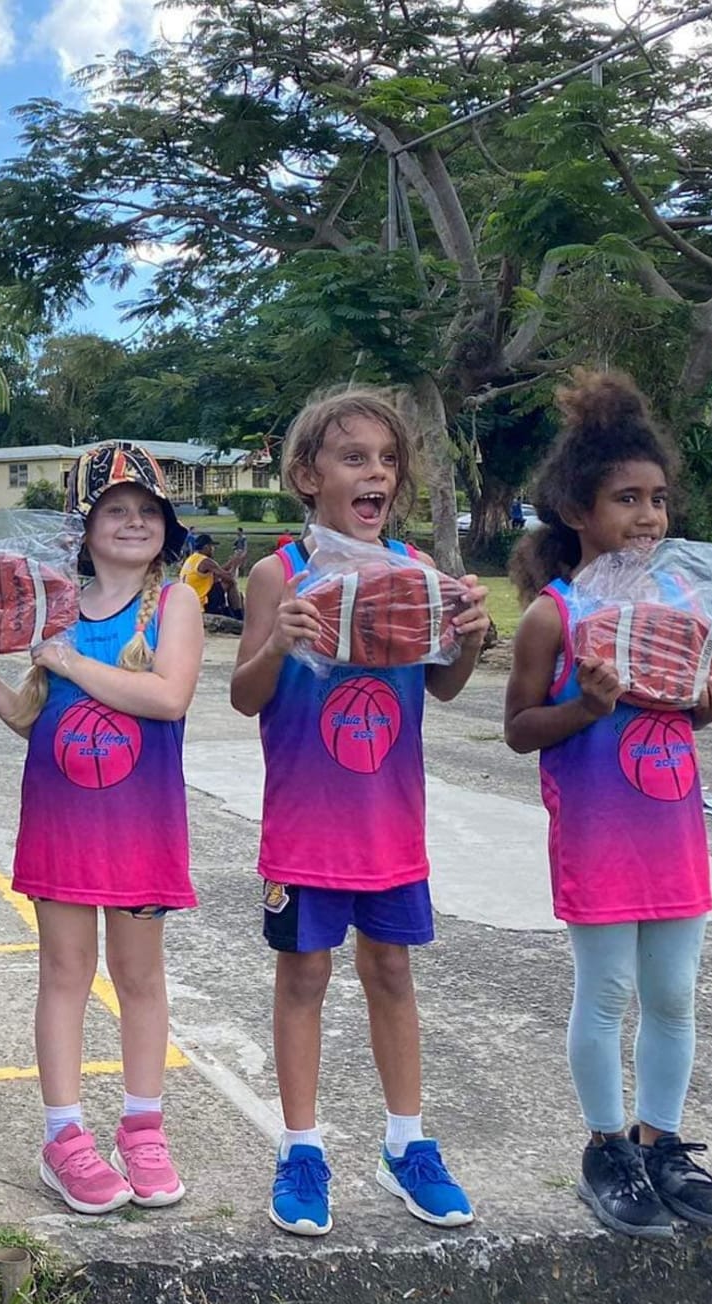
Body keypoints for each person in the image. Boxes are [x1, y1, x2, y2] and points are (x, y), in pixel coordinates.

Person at [230, 387, 491, 1238]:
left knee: (391, 973)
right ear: (307, 475)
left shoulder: (415, 575)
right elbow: (243, 696)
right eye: (353, 457)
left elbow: (444, 683)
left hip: (390, 827)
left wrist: (475, 635)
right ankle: (301, 1148)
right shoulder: (280, 572)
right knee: (303, 978)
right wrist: (278, 638)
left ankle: (406, 1142)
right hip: (306, 827)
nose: (374, 471)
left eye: (385, 458)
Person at [502, 371, 712, 1238]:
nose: (648, 517)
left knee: (675, 993)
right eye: (626, 499)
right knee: (606, 993)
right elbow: (520, 728)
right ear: (578, 508)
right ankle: (606, 1148)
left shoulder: (680, 609)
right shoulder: (555, 615)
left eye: (658, 500)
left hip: (673, 833)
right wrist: (586, 706)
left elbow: (686, 711)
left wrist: (711, 706)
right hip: (599, 838)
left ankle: (663, 1144)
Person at [0, 442, 201, 1213]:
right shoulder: (54, 605)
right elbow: (41, 721)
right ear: (84, 526)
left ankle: (142, 1127)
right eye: (115, 510)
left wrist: (67, 663)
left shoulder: (175, 606)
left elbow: (167, 697)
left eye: (147, 511)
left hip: (140, 830)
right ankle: (63, 1137)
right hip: (62, 826)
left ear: (166, 525)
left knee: (138, 979)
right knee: (64, 975)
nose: (133, 522)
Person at [179, 533, 244, 619]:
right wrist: (236, 564)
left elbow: (218, 570)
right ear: (206, 547)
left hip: (190, 600)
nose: (213, 549)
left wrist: (230, 563)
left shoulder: (192, 559)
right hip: (202, 603)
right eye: (212, 547)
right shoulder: (205, 561)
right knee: (230, 583)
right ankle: (238, 615)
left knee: (219, 580)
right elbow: (231, 577)